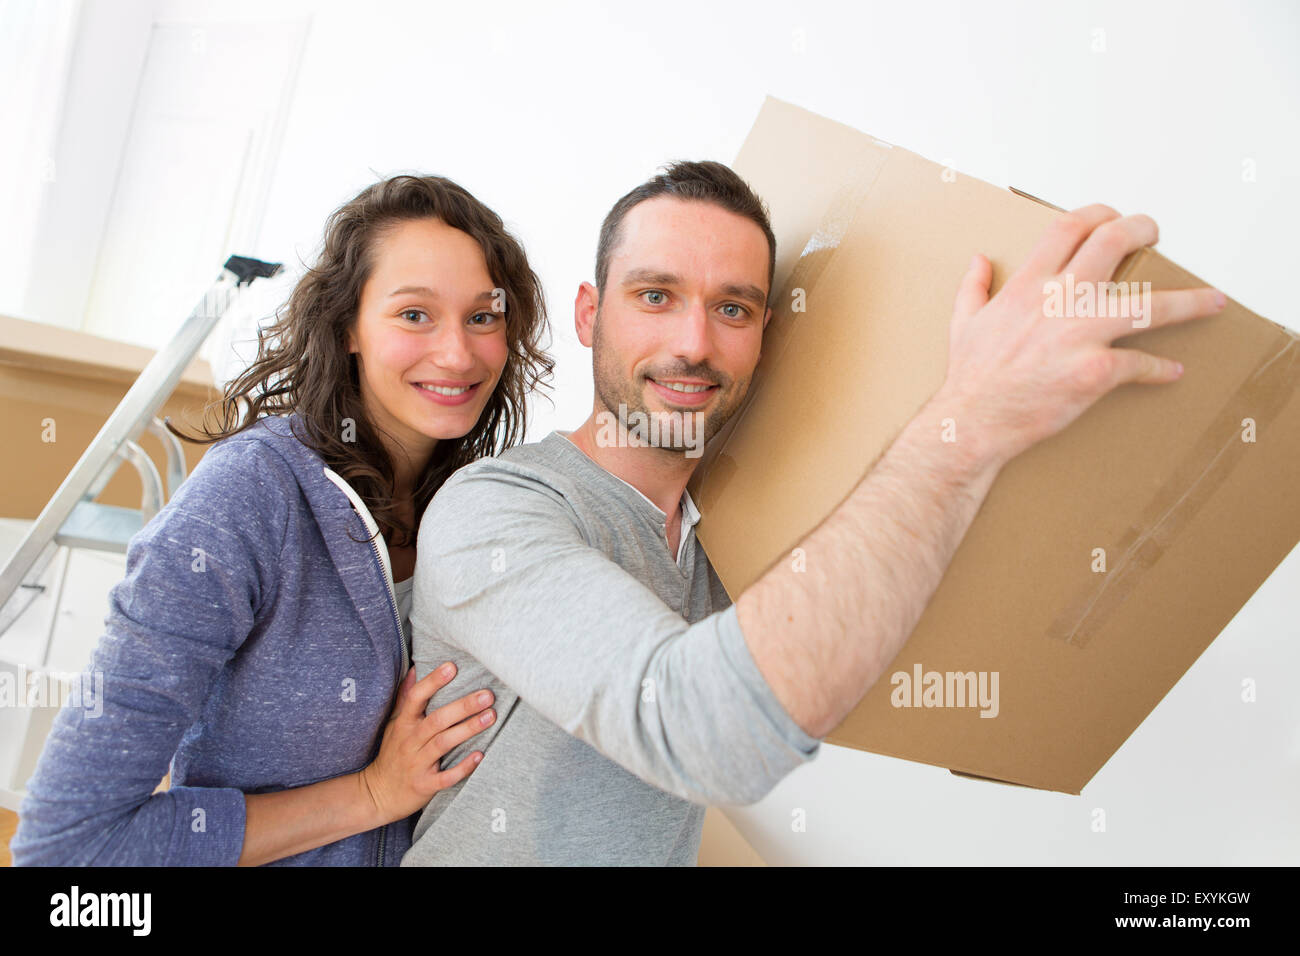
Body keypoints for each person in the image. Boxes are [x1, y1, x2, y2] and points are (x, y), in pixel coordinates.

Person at [399, 160, 1226, 866]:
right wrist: (971, 419)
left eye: (732, 309)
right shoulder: (492, 512)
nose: (694, 342)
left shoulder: (732, 535)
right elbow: (698, 729)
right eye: (655, 295)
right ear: (590, 314)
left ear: (765, 332)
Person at [12, 173, 553, 865]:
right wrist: (373, 794)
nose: (458, 352)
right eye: (414, 314)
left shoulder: (477, 508)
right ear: (349, 325)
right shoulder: (247, 499)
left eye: (483, 316)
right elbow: (66, 848)